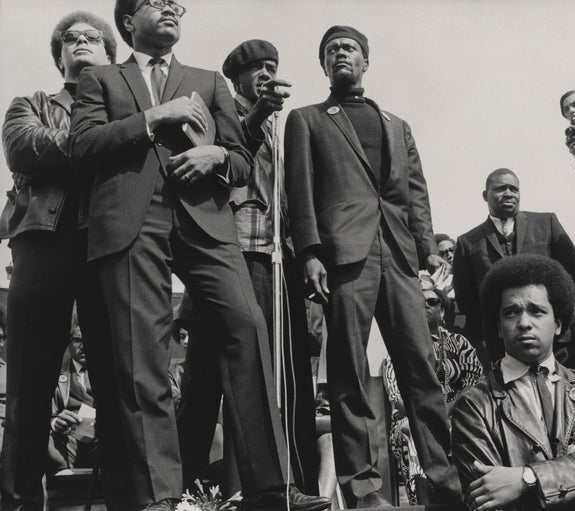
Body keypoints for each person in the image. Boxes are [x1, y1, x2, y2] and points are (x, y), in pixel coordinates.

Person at [67, 2, 329, 510]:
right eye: (155, 1)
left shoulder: (208, 81)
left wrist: (218, 156)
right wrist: (153, 117)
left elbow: (239, 157)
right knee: (143, 354)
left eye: (174, 4)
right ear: (127, 22)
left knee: (247, 328)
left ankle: (270, 491)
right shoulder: (100, 79)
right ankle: (161, 497)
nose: (168, 8)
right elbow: (83, 148)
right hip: (129, 220)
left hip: (206, 220)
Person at [284, 25, 461, 507]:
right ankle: (364, 491)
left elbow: (415, 198)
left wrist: (431, 253)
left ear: (366, 61)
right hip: (344, 257)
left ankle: (446, 484)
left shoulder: (398, 124)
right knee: (348, 371)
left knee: (420, 368)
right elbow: (299, 193)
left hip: (400, 255)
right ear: (323, 66)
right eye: (331, 50)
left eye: (350, 49)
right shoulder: (306, 119)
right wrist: (310, 253)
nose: (341, 54)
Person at [177, 38, 319, 496]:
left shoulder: (281, 127)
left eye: (272, 66)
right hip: (230, 251)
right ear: (234, 76)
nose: (265, 72)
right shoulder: (222, 111)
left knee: (271, 375)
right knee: (208, 382)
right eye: (255, 67)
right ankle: (182, 487)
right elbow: (229, 148)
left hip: (276, 257)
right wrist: (257, 113)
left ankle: (273, 484)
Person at [0, 12, 117, 510]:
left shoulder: (125, 103)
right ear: (60, 54)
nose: (82, 42)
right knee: (29, 380)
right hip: (42, 243)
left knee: (118, 378)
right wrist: (106, 139)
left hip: (109, 247)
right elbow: (24, 148)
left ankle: (120, 495)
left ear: (112, 53)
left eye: (93, 37)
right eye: (71, 38)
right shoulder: (31, 103)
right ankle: (22, 499)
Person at [452, 255, 575, 511]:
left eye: (536, 311)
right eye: (511, 312)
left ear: (558, 324)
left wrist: (528, 479)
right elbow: (487, 500)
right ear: (499, 326)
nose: (524, 323)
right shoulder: (473, 406)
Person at [453, 168, 575, 372]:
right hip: (505, 347)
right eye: (500, 188)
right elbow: (467, 302)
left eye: (514, 189)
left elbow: (572, 278)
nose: (508, 193)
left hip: (559, 341)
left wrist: (554, 319)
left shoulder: (547, 223)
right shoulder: (467, 243)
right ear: (485, 195)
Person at [382, 285, 481, 504]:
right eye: (420, 301)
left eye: (433, 302)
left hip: (457, 415)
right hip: (413, 419)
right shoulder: (400, 347)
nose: (425, 305)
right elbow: (395, 396)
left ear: (443, 311)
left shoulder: (460, 343)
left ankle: (467, 497)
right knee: (413, 430)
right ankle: (423, 501)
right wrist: (428, 417)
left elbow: (475, 383)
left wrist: (448, 411)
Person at [49, 324, 97, 471]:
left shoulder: (112, 370)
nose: (83, 345)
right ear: (68, 341)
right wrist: (56, 421)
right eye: (77, 340)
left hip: (103, 443)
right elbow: (38, 415)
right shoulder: (53, 372)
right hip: (65, 444)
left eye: (88, 339)